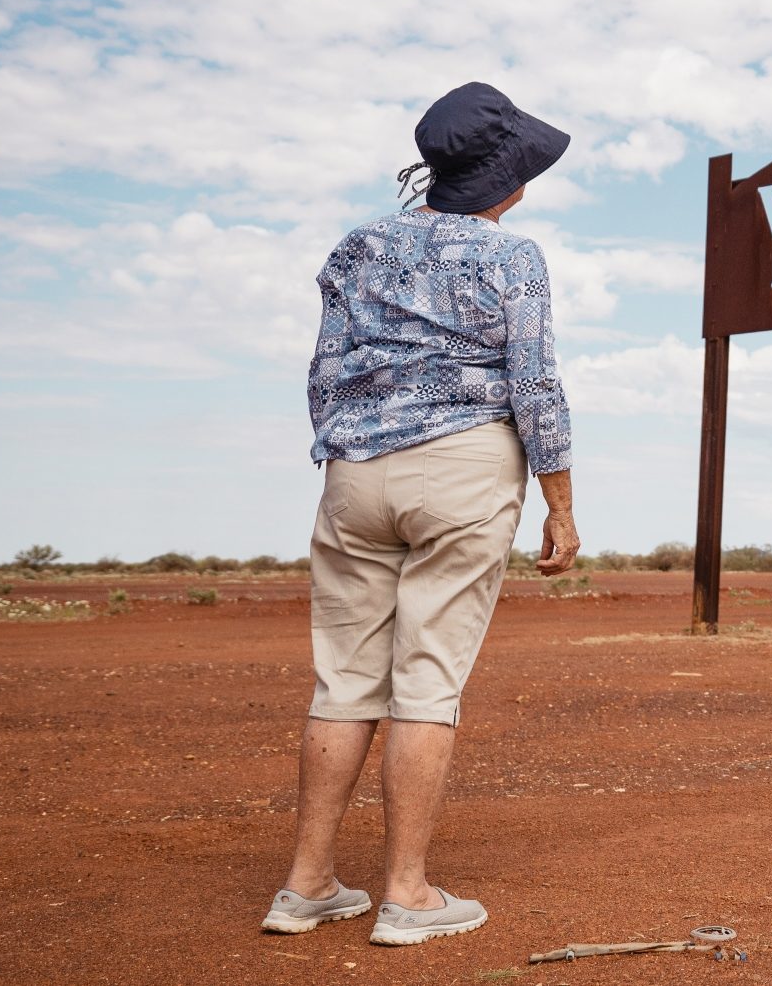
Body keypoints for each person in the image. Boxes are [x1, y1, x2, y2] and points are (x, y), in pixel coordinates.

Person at [263, 82, 583, 947]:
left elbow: (323, 369)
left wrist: (347, 450)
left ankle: (305, 887)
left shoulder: (358, 246)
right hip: (464, 467)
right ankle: (406, 894)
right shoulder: (511, 258)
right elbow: (535, 385)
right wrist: (560, 506)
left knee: (344, 682)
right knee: (427, 681)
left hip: (355, 471)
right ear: (502, 178)